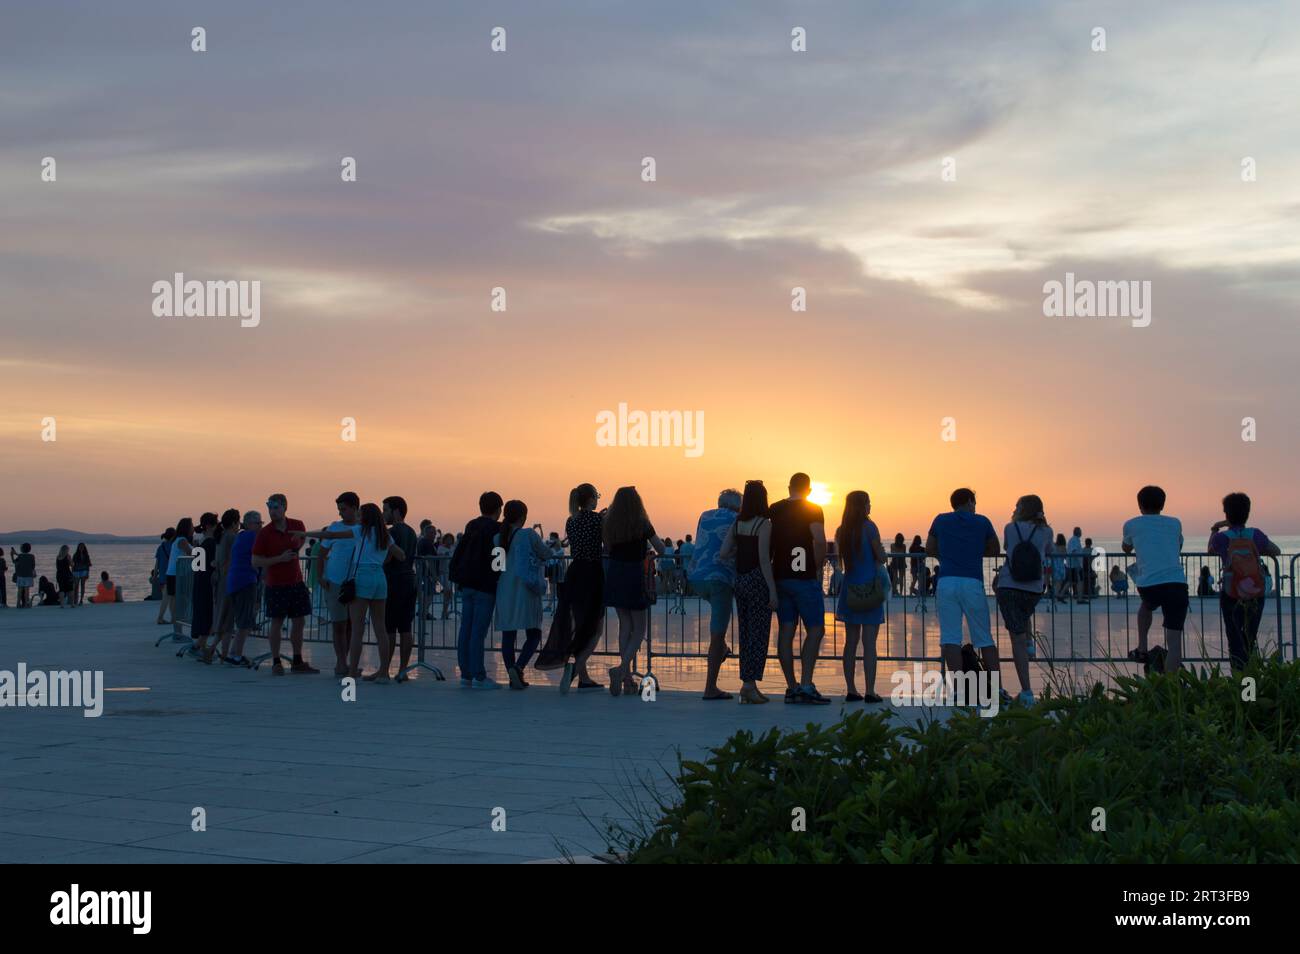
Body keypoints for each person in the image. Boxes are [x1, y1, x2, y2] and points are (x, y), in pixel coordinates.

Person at [927, 488, 1001, 698]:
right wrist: (975, 551)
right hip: (972, 582)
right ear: (969, 501)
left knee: (950, 637)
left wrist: (948, 555)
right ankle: (995, 689)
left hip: (947, 581)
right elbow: (994, 549)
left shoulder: (940, 520)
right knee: (984, 638)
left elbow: (930, 548)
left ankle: (959, 690)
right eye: (974, 503)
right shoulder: (982, 521)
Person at [769, 473, 829, 704]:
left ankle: (791, 686)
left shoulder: (774, 508)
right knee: (815, 629)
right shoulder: (813, 509)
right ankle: (806, 684)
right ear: (809, 490)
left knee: (786, 630)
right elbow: (820, 540)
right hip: (803, 577)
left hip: (780, 576)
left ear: (789, 487)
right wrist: (816, 567)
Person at [717, 480, 777, 704]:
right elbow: (764, 559)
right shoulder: (764, 524)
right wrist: (772, 590)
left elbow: (724, 553)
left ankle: (748, 684)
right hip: (757, 581)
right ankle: (749, 686)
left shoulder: (737, 523)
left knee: (745, 633)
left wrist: (739, 549)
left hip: (740, 580)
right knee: (759, 634)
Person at [603, 486, 665, 696]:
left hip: (615, 573)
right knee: (639, 629)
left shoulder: (609, 523)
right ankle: (621, 671)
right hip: (635, 574)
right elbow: (661, 548)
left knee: (624, 626)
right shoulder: (642, 523)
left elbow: (608, 548)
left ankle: (627, 678)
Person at [1208, 492, 1281, 669]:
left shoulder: (1221, 537)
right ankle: (1251, 684)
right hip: (1255, 591)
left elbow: (1210, 550)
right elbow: (1276, 551)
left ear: (1226, 514)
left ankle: (1239, 683)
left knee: (1234, 638)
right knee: (1250, 636)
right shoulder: (1256, 534)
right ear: (1248, 512)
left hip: (1230, 591)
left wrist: (1215, 529)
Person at [993, 495, 1054, 705]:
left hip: (1009, 585)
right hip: (1034, 588)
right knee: (1024, 615)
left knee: (1015, 639)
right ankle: (1029, 643)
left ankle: (1027, 691)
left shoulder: (1010, 528)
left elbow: (1007, 547)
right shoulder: (1046, 531)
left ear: (1022, 509)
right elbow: (1049, 552)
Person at [251, 494, 319, 676]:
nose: (272, 511)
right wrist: (279, 559)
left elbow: (301, 540)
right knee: (276, 622)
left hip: (296, 582)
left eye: (275, 507)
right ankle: (276, 661)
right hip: (275, 584)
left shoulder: (297, 525)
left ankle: (297, 660)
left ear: (284, 507)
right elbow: (255, 561)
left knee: (299, 621)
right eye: (270, 508)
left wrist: (298, 544)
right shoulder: (265, 533)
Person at [1122, 485, 1187, 671]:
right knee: (1174, 643)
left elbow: (1126, 548)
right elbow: (1178, 545)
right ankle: (1172, 689)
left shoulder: (1131, 524)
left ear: (1139, 505)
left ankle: (1142, 647)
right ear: (1163, 504)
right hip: (1177, 583)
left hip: (1149, 583)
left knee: (1146, 606)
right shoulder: (1175, 523)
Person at [549, 483, 606, 691]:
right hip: (592, 572)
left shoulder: (571, 520)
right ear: (591, 499)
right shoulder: (596, 519)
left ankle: (584, 677)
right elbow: (605, 545)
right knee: (596, 628)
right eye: (596, 496)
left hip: (575, 572)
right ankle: (576, 668)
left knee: (581, 624)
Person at [339, 503, 404, 682]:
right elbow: (401, 555)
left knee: (357, 630)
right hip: (379, 578)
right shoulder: (385, 535)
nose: (358, 518)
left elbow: (332, 535)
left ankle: (351, 673)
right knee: (380, 628)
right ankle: (384, 672)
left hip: (362, 576)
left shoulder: (361, 531)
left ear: (365, 517)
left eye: (360, 515)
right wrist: (381, 558)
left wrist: (306, 535)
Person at [834, 491, 889, 703]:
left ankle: (851, 689)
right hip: (870, 589)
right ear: (862, 505)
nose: (870, 506)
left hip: (850, 588)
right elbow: (880, 556)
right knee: (869, 644)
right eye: (868, 502)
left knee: (850, 642)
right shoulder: (869, 527)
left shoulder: (842, 530)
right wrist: (882, 553)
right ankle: (870, 690)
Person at [687, 489, 741, 700]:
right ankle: (710, 687)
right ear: (738, 506)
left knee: (719, 635)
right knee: (716, 635)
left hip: (696, 577)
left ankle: (722, 647)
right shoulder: (738, 518)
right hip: (720, 579)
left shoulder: (705, 514)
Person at [493, 500, 551, 689]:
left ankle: (511, 671)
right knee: (534, 633)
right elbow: (546, 553)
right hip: (525, 590)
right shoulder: (528, 535)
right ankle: (518, 667)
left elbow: (498, 567)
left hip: (504, 590)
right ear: (522, 516)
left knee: (508, 635)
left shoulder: (497, 539)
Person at [449, 491, 504, 688]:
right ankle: (479, 675)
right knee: (478, 632)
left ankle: (466, 674)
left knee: (465, 629)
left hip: (467, 584)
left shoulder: (471, 525)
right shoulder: (498, 529)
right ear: (499, 509)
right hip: (485, 586)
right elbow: (499, 558)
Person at [316, 492, 362, 677]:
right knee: (338, 625)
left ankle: (346, 662)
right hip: (334, 582)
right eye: (339, 509)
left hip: (356, 582)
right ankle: (341, 662)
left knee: (352, 624)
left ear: (354, 508)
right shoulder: (334, 528)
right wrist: (320, 577)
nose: (340, 513)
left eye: (343, 509)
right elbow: (321, 554)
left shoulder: (363, 529)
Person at [383, 496, 420, 679]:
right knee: (406, 628)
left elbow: (389, 557)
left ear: (396, 511)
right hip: (409, 581)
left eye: (386, 510)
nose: (383, 514)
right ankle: (403, 670)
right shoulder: (412, 532)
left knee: (389, 627)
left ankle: (385, 669)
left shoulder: (391, 532)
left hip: (394, 581)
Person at [219, 511, 263, 667]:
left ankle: (233, 653)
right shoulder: (252, 537)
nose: (261, 526)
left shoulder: (241, 537)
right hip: (246, 581)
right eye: (258, 523)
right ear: (250, 524)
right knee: (245, 622)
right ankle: (236, 655)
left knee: (241, 620)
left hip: (234, 581)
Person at [188, 513, 219, 658]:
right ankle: (198, 645)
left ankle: (199, 644)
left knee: (203, 613)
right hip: (207, 583)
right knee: (207, 614)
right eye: (215, 524)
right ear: (209, 526)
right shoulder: (211, 543)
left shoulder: (202, 543)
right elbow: (213, 564)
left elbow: (196, 565)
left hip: (199, 581)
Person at [165, 518, 194, 640]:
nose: (193, 528)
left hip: (172, 574)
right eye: (192, 526)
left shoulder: (177, 540)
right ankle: (178, 633)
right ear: (186, 528)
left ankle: (178, 632)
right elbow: (191, 553)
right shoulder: (182, 540)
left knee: (176, 603)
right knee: (180, 604)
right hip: (178, 575)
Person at [153, 528, 175, 623]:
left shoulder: (160, 547)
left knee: (168, 598)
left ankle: (173, 618)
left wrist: (154, 575)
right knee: (168, 598)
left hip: (162, 576)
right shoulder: (173, 547)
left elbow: (157, 563)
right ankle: (160, 618)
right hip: (170, 575)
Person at [11, 544, 35, 608]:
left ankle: (18, 604)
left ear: (22, 549)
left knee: (20, 590)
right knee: (27, 591)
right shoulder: (32, 556)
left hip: (20, 575)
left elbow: (14, 562)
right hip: (28, 575)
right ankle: (26, 604)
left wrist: (12, 555)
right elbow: (33, 566)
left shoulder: (20, 556)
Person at [1066, 527, 1086, 602]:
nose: (1081, 533)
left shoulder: (1074, 540)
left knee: (1072, 581)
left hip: (1073, 564)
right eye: (1080, 531)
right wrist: (1079, 563)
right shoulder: (1075, 540)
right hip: (1075, 565)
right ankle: (1080, 598)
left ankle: (1061, 594)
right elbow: (1073, 551)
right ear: (1078, 532)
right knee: (1079, 581)